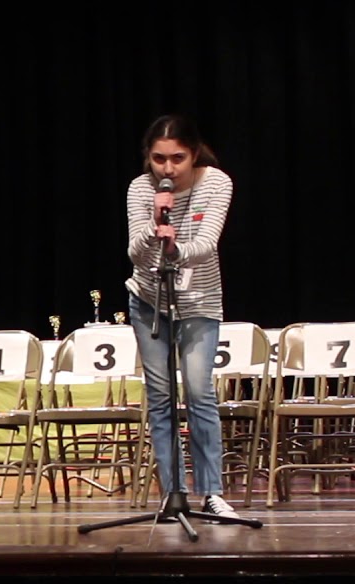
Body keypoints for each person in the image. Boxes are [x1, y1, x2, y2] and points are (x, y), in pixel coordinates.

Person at [124, 114, 238, 520]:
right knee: (160, 399)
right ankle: (173, 492)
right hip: (149, 300)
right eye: (158, 159)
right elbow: (136, 253)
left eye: (177, 158)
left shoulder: (216, 182)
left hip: (199, 299)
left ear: (193, 154)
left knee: (198, 391)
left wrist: (176, 250)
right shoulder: (140, 189)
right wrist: (156, 223)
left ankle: (212, 491)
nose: (167, 169)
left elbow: (206, 244)